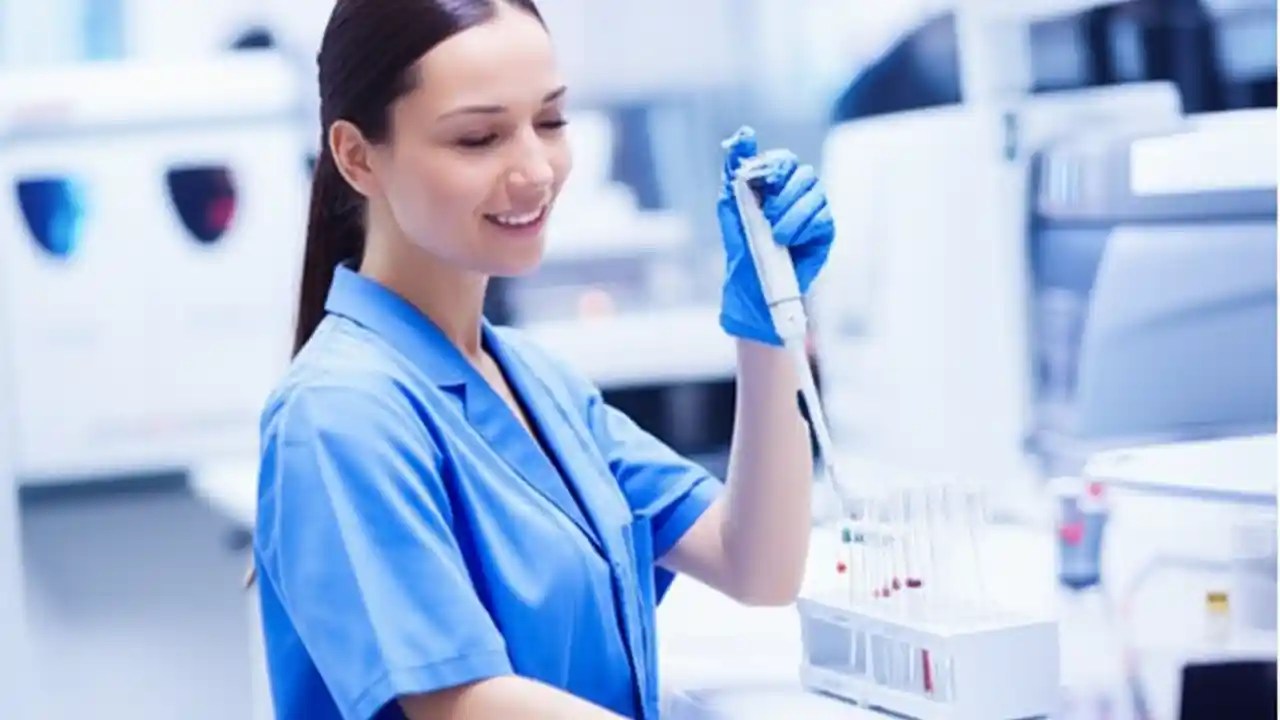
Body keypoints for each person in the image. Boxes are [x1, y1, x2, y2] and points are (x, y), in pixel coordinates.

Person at [252, 1, 837, 718]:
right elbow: (459, 704)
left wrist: (768, 329)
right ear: (355, 156)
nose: (535, 169)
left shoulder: (539, 385)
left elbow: (758, 564)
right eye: (478, 138)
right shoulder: (339, 411)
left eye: (552, 122)